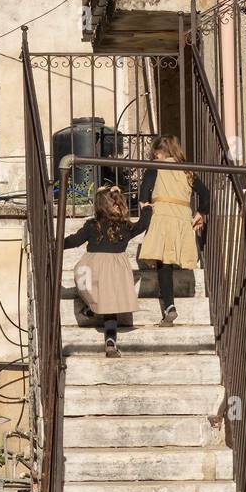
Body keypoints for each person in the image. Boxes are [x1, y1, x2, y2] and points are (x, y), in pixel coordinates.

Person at [63, 186, 152, 357]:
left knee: (85, 284)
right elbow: (142, 225)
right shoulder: (124, 226)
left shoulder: (92, 225)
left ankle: (91, 307)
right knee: (111, 305)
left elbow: (74, 240)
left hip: (92, 266)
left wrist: (56, 243)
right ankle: (110, 340)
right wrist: (147, 210)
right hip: (116, 269)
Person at [138, 136, 210, 326]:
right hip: (182, 216)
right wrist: (200, 213)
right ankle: (170, 305)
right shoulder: (186, 170)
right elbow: (205, 193)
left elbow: (144, 191)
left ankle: (169, 306)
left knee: (164, 262)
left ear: (160, 152)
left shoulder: (156, 166)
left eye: (155, 153)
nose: (154, 156)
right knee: (174, 254)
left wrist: (144, 204)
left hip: (162, 215)